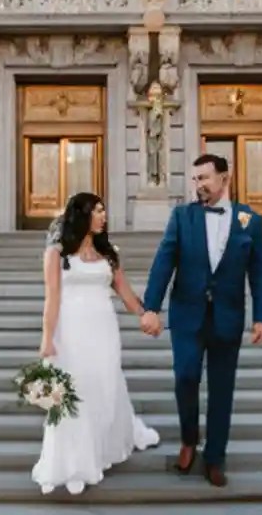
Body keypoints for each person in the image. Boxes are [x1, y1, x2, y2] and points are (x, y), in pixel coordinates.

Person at [140, 154, 262, 488]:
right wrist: (151, 307)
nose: (198, 185)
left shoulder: (249, 220)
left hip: (227, 318)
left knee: (222, 389)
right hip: (187, 315)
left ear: (224, 179)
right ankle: (188, 440)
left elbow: (259, 272)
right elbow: (163, 262)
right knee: (185, 377)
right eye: (195, 179)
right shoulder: (182, 217)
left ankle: (215, 457)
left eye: (204, 178)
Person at [32, 192, 160, 495]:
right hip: (70, 331)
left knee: (103, 387)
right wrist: (47, 340)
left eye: (104, 210)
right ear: (81, 215)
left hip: (103, 331)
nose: (103, 216)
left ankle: (98, 451)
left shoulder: (109, 253)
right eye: (97, 211)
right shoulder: (57, 253)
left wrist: (148, 315)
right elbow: (52, 299)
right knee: (73, 394)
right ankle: (72, 463)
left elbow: (127, 295)